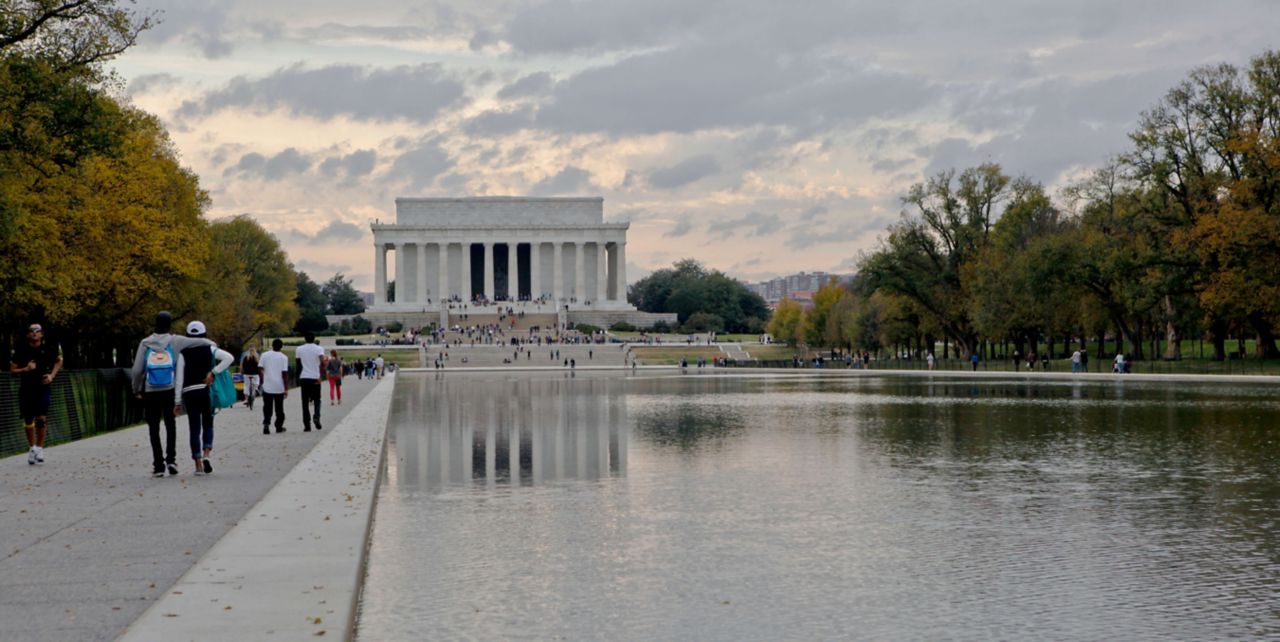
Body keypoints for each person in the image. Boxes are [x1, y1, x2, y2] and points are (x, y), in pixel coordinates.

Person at [131, 312, 214, 477]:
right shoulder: (175, 341)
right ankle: (171, 460)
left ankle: (158, 465)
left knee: (153, 428)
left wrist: (136, 389)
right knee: (170, 425)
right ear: (170, 325)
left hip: (151, 390)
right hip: (169, 389)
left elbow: (137, 370)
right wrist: (211, 343)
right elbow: (200, 341)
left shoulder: (145, 343)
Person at [175, 321, 233, 475]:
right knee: (208, 423)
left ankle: (198, 464)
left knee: (194, 428)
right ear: (204, 334)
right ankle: (207, 453)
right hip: (206, 390)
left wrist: (177, 401)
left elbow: (179, 378)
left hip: (189, 391)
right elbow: (229, 358)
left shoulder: (183, 353)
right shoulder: (210, 349)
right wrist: (213, 372)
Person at [10, 323, 62, 465]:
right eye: (31, 331)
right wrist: (25, 369)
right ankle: (32, 447)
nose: (34, 333)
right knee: (28, 419)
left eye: (37, 331)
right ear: (28, 334)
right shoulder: (21, 350)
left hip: (43, 387)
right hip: (26, 388)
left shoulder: (48, 349)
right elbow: (12, 370)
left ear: (42, 334)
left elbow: (59, 361)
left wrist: (52, 375)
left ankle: (39, 447)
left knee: (41, 417)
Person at [295, 332, 326, 432]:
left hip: (304, 377)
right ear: (314, 338)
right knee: (317, 399)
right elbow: (322, 362)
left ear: (305, 338)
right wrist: (321, 375)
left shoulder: (299, 349)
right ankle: (316, 416)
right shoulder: (319, 349)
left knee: (304, 402)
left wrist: (297, 377)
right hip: (315, 378)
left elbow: (298, 365)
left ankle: (307, 425)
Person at [259, 338, 290, 434]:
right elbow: (284, 374)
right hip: (279, 386)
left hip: (267, 385)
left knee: (267, 407)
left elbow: (259, 368)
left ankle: (266, 424)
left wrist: (262, 379)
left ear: (272, 345)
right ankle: (279, 426)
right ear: (281, 347)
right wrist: (286, 388)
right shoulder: (284, 357)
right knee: (279, 408)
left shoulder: (264, 355)